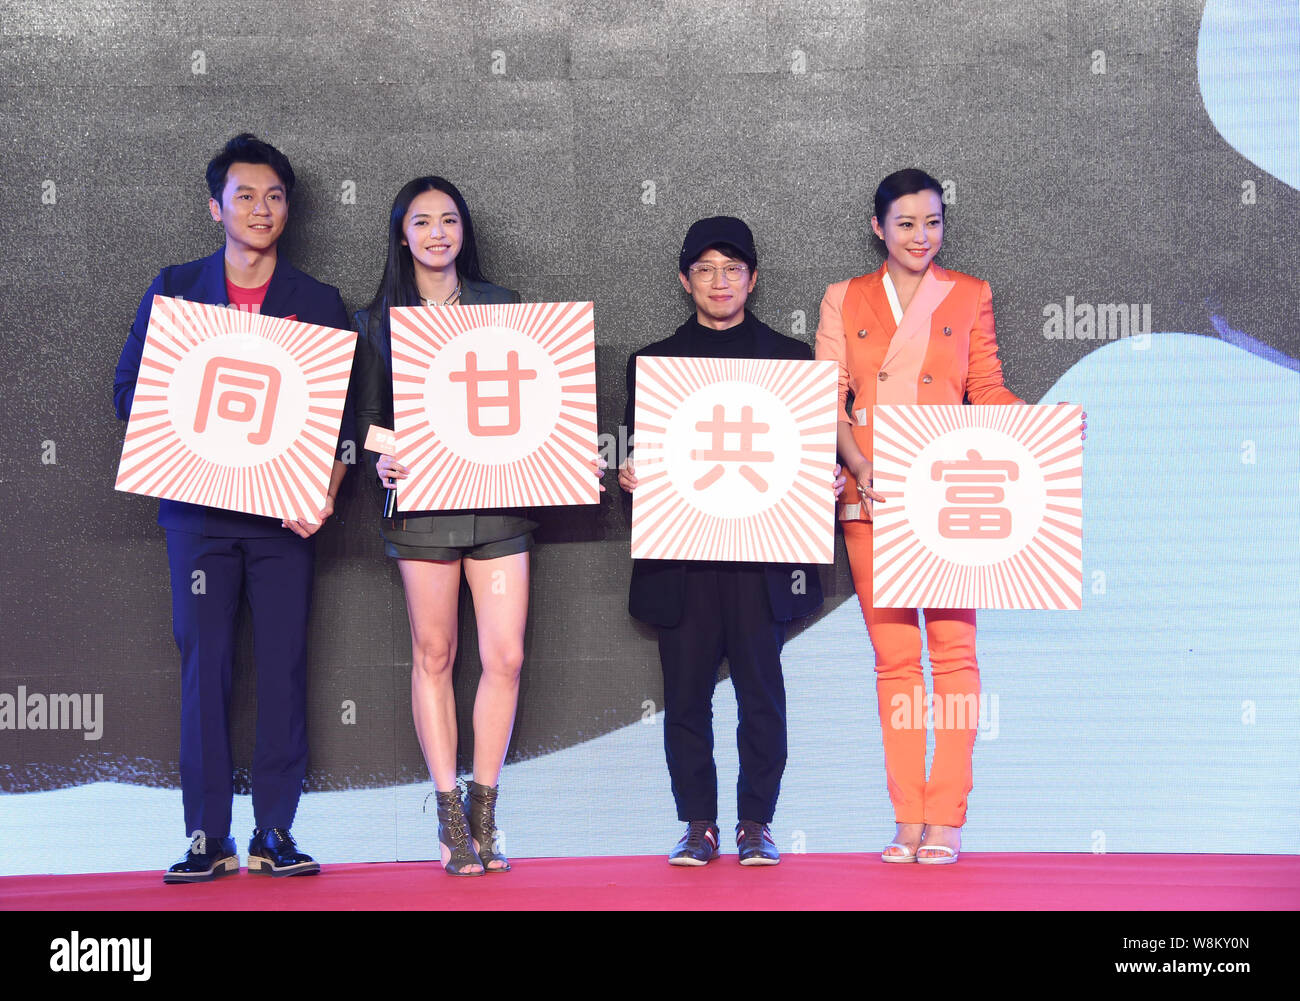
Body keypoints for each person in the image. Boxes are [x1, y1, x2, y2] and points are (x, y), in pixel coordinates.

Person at [114, 133, 353, 883]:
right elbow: (127, 391)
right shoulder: (175, 288)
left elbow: (344, 426)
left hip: (284, 520)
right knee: (204, 666)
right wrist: (192, 416)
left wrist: (327, 492)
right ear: (214, 204)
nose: (261, 208)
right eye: (245, 195)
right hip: (198, 516)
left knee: (283, 668)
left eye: (275, 196)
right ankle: (205, 835)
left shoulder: (317, 301)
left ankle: (275, 831)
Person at [354, 176, 604, 876]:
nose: (438, 232)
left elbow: (542, 397)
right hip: (426, 506)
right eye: (422, 221)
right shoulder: (378, 317)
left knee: (506, 655)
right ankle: (447, 816)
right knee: (433, 654)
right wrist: (382, 458)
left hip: (499, 501)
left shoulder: (503, 307)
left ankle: (484, 808)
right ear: (402, 234)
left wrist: (572, 445)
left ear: (464, 230)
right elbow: (368, 420)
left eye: (449, 220)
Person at [619, 216, 845, 866]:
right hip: (682, 558)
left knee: (761, 695)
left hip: (761, 560)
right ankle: (697, 824)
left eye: (733, 269)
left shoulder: (792, 360)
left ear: (753, 278)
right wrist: (632, 473)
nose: (721, 281)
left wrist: (821, 481)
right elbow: (644, 456)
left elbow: (806, 458)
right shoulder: (652, 364)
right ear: (684, 280)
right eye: (706, 269)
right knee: (685, 696)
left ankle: (755, 823)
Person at [814, 168, 1024, 865]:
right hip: (870, 496)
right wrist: (858, 462)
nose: (921, 236)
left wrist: (1039, 426)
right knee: (896, 662)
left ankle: (949, 815)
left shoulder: (969, 294)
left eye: (933, 221)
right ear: (878, 227)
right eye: (906, 223)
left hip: (948, 495)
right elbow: (828, 397)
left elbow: (986, 386)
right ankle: (907, 815)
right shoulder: (844, 298)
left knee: (956, 657)